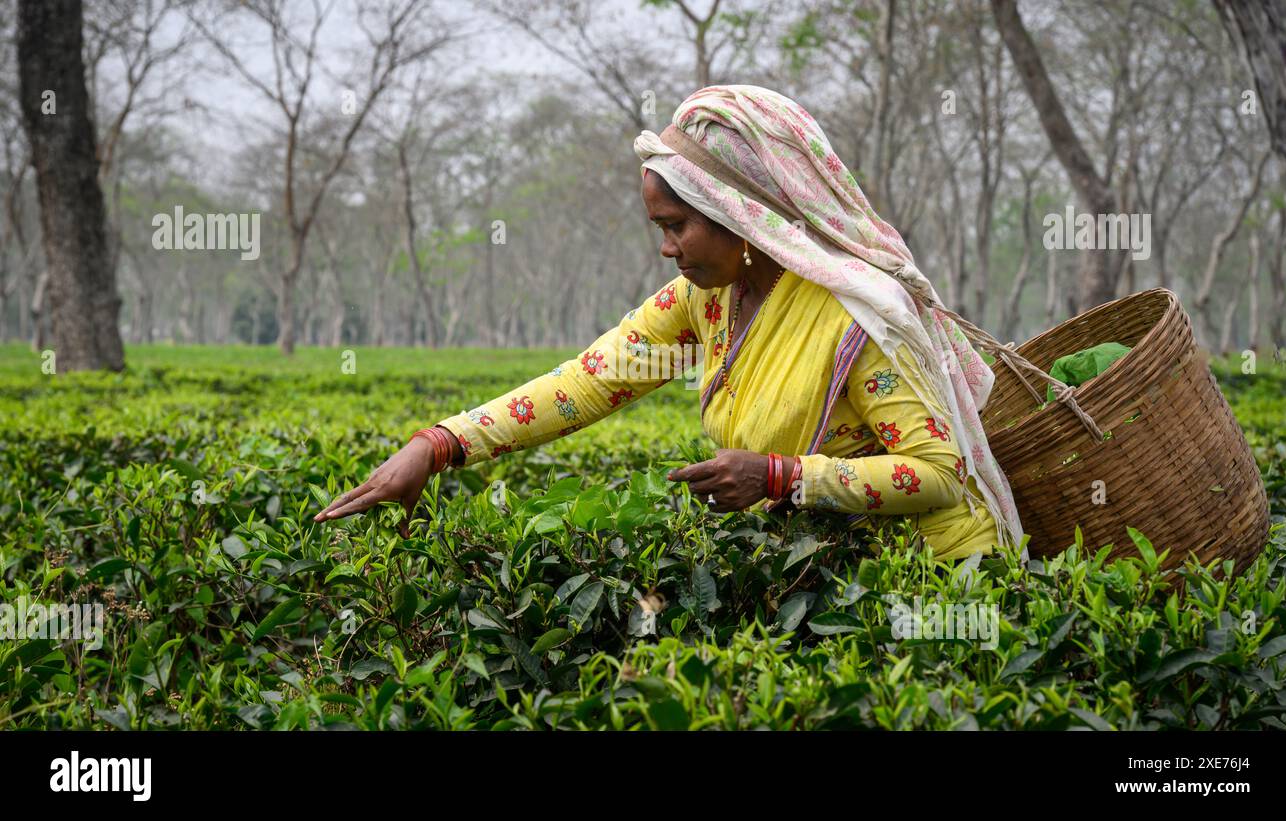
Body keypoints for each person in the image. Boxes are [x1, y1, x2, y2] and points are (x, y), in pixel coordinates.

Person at [315, 84, 1025, 563]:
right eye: (660, 227)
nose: (666, 247)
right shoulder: (704, 300)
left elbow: (937, 474)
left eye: (677, 226)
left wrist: (779, 476)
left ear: (741, 215)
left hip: (937, 577)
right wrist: (437, 447)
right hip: (827, 571)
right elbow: (583, 386)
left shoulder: (853, 316)